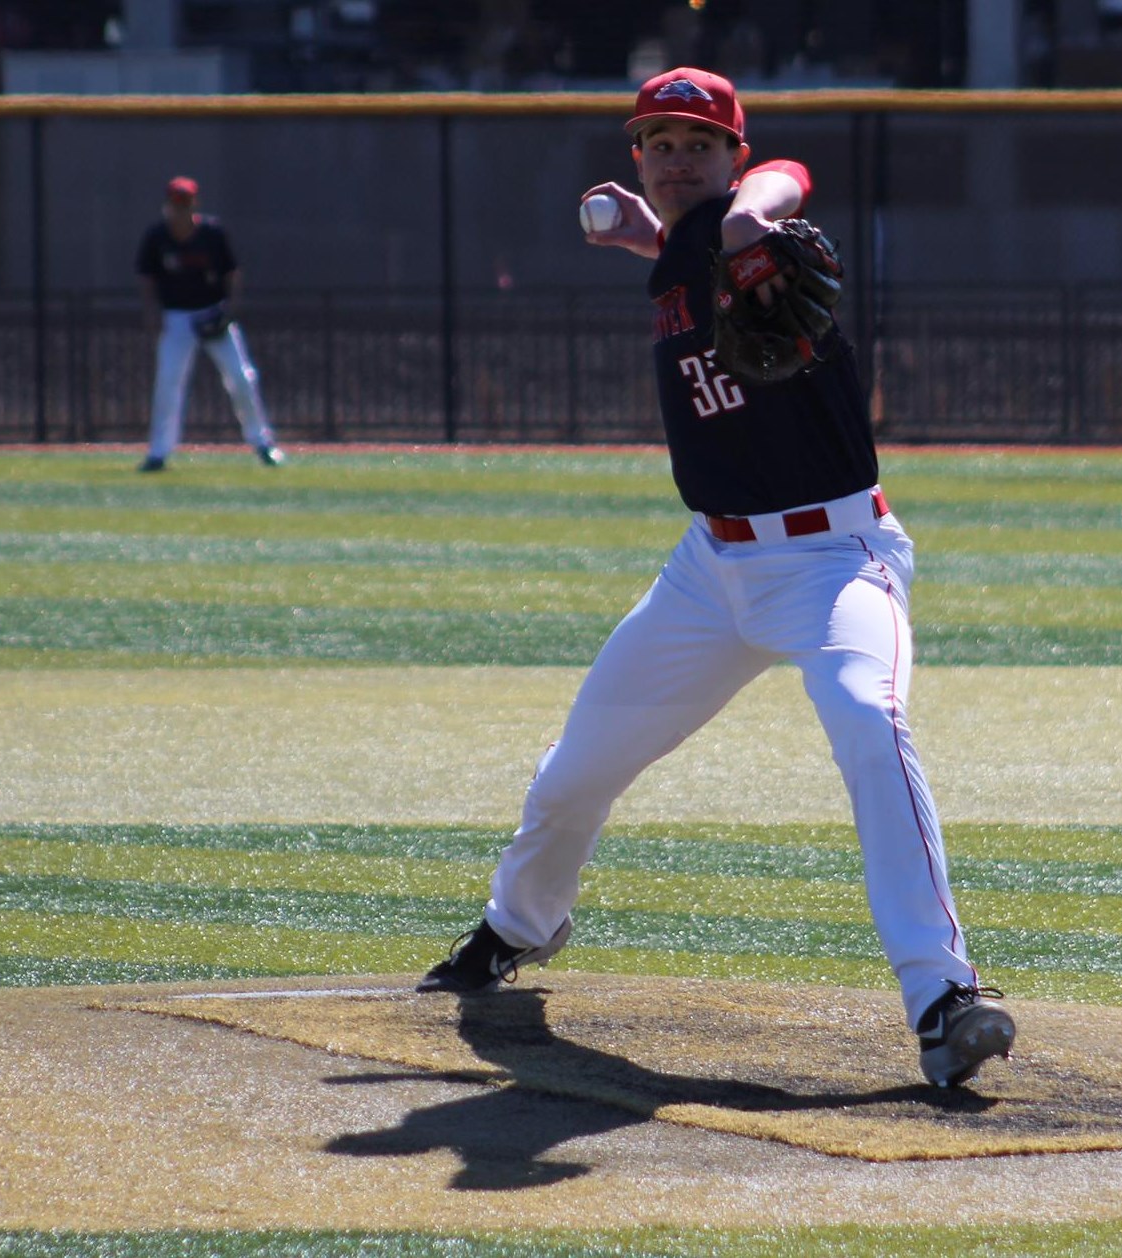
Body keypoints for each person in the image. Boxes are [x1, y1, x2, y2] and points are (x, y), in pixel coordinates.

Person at [416, 67, 1015, 1090]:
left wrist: (746, 222)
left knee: (870, 727)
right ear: (638, 156)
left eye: (700, 142)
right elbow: (674, 236)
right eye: (658, 142)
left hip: (832, 559)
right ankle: (515, 927)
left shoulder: (758, 232)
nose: (679, 157)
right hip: (710, 569)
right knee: (575, 768)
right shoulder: (682, 243)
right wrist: (632, 229)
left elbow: (789, 174)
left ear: (732, 154)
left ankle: (942, 996)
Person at [133, 176, 283, 472]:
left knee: (241, 378)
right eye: (176, 203)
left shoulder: (212, 233)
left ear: (194, 204)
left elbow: (232, 273)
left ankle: (263, 443)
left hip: (212, 312)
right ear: (167, 205)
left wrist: (230, 311)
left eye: (185, 203)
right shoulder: (157, 236)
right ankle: (158, 452)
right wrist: (151, 312)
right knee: (168, 382)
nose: (180, 209)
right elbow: (146, 277)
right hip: (176, 317)